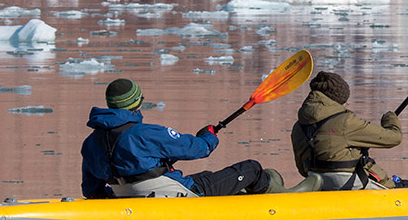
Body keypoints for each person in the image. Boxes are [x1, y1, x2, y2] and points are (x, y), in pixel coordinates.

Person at [81, 78, 283, 198]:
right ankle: (276, 202)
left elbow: (92, 191)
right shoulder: (146, 133)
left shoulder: (90, 143)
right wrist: (209, 136)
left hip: (128, 198)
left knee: (206, 175)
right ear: (137, 103)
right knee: (251, 169)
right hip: (171, 195)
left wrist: (119, 197)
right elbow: (199, 149)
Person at [289, 71, 406, 190]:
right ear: (338, 100)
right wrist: (390, 119)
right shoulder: (346, 121)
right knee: (406, 185)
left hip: (315, 182)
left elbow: (302, 169)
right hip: (349, 183)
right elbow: (394, 138)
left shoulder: (298, 126)